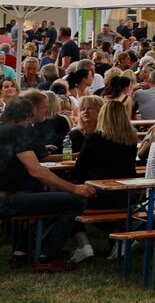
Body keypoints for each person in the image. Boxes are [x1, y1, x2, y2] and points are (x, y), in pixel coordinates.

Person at [0, 95, 93, 270]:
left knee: (41, 197)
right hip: (6, 201)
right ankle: (46, 257)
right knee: (75, 201)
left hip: (10, 197)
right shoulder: (17, 131)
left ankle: (21, 252)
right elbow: (36, 170)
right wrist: (74, 188)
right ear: (28, 115)